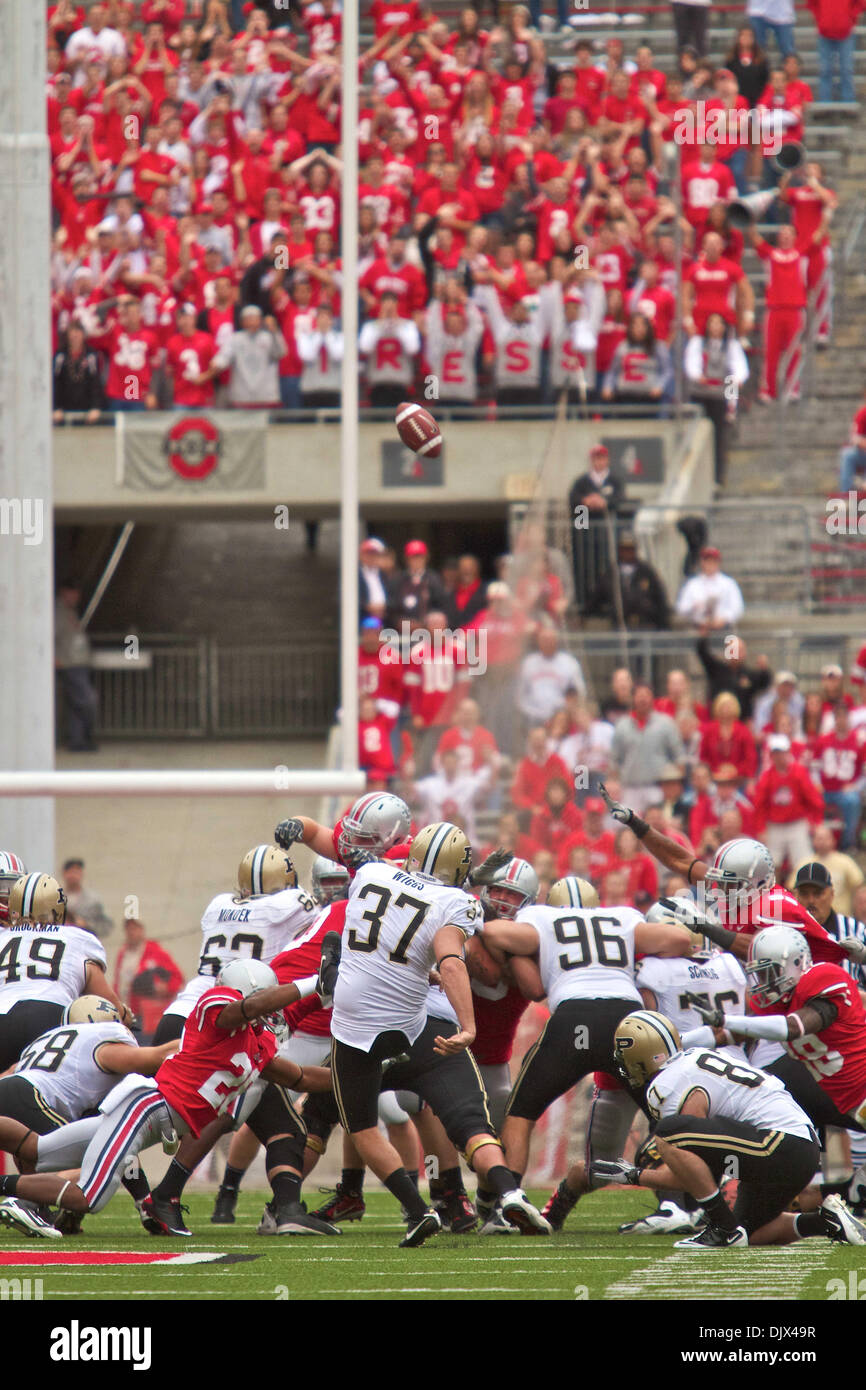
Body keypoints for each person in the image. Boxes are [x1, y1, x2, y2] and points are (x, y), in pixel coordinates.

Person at [0, 958, 338, 1240]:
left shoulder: (255, 1044)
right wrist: (311, 983)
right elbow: (251, 1006)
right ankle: (11, 1194)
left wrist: (353, 1080)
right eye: (268, 995)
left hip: (149, 1118)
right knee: (89, 1196)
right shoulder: (215, 1007)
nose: (272, 1007)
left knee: (38, 1150)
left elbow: (301, 1076)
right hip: (147, 1109)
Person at [328, 822, 550, 1245]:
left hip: (354, 1024)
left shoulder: (370, 874)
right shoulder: (454, 902)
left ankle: (416, 1210)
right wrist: (468, 1027)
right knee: (470, 1124)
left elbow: (385, 937)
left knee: (361, 1126)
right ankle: (508, 1191)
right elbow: (451, 962)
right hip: (414, 1025)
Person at [480, 875, 693, 1211]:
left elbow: (495, 936)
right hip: (626, 1018)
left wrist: (520, 957)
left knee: (520, 1114)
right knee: (667, 1116)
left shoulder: (541, 917)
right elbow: (681, 938)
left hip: (573, 1013)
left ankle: (506, 1201)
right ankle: (684, 1203)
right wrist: (634, 960)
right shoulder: (621, 917)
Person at [590, 1010, 864, 1249]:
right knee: (750, 1233)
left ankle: (721, 1228)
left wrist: (633, 1175)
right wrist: (635, 1175)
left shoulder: (667, 1083)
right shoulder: (694, 1058)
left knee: (667, 1131)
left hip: (779, 1142)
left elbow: (692, 1169)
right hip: (797, 1146)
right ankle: (826, 1222)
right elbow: (694, 1169)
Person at [0, 873, 130, 1072]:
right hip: (47, 1015)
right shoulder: (77, 937)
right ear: (57, 909)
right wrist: (125, 1015)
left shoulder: (3, 936)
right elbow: (105, 1002)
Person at [610, 683, 685, 815]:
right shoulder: (622, 725)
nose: (643, 699)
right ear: (633, 699)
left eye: (646, 696)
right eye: (639, 696)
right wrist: (615, 785)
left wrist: (676, 786)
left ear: (652, 698)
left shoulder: (666, 723)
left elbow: (679, 756)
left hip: (657, 788)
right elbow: (614, 760)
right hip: (629, 788)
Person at [113, 918, 184, 1042]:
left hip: (145, 1015)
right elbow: (117, 982)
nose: (131, 932)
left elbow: (177, 978)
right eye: (128, 929)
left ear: (142, 930)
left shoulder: (155, 951)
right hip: (125, 1013)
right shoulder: (123, 953)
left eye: (134, 928)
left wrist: (164, 988)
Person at [584, 532, 670, 629]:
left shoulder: (647, 572)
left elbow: (660, 599)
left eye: (630, 549)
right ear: (619, 550)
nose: (627, 552)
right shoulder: (611, 574)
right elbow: (595, 600)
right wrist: (609, 612)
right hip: (621, 626)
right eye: (624, 549)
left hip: (645, 625)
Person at [54, 580, 99, 753]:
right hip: (69, 663)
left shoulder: (69, 611)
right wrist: (54, 657)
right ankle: (81, 738)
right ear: (65, 593)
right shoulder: (58, 613)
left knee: (77, 705)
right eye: (73, 594)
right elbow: (49, 635)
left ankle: (77, 740)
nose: (76, 598)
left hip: (77, 663)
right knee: (87, 701)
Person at [213, 304, 286, 406]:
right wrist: (217, 363)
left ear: (260, 321)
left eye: (255, 318)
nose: (251, 322)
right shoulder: (235, 338)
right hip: (242, 396)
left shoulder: (269, 337)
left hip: (266, 396)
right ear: (242, 322)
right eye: (248, 319)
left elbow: (281, 352)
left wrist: (274, 331)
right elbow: (224, 356)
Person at [790, 822, 865, 916]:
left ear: (833, 840)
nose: (822, 842)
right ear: (813, 841)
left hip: (841, 916)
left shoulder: (845, 862)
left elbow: (859, 887)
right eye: (819, 838)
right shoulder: (804, 863)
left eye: (825, 838)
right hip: (808, 917)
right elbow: (791, 889)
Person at [516, 626, 586, 726]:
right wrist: (532, 713)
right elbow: (520, 695)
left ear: (556, 641)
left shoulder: (569, 662)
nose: (547, 643)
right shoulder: (528, 663)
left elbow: (579, 691)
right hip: (533, 719)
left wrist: (564, 712)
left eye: (550, 640)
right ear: (538, 642)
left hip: (561, 719)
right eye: (544, 640)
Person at [696, 633, 772, 721]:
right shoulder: (716, 670)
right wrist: (704, 635)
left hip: (741, 723)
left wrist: (764, 670)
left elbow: (764, 683)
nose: (736, 653)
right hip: (717, 723)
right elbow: (703, 653)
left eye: (740, 650)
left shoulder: (749, 675)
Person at [675, 545, 745, 630]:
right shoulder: (692, 584)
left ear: (718, 563)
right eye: (707, 561)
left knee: (734, 641)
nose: (710, 564)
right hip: (698, 627)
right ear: (702, 562)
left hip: (723, 626)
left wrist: (723, 619)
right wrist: (694, 607)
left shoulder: (729, 583)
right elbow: (681, 608)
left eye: (713, 561)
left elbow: (737, 608)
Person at [60, 859, 113, 941]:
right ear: (64, 874)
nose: (73, 876)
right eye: (70, 872)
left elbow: (106, 926)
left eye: (76, 872)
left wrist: (87, 924)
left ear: (81, 874)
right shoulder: (54, 899)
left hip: (84, 944)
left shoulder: (93, 900)